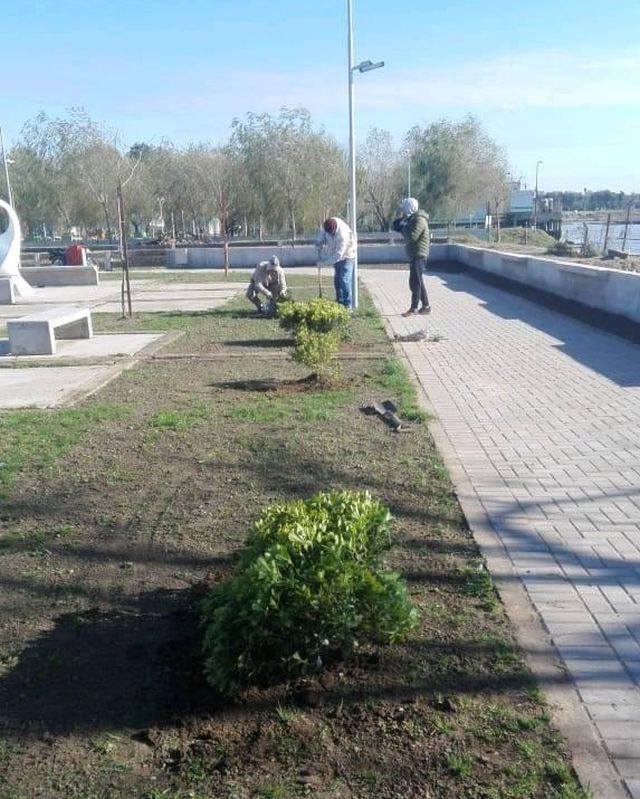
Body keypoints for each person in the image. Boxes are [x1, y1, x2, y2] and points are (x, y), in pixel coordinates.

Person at [393, 197, 431, 317]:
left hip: (419, 254)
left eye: (404, 208)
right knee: (417, 281)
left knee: (415, 282)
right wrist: (400, 222)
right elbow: (397, 226)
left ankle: (414, 308)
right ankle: (426, 306)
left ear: (410, 207)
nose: (403, 211)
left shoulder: (419, 220)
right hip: (414, 254)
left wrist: (403, 227)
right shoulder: (412, 219)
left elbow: (412, 236)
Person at [319, 217, 356, 309]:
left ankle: (348, 305)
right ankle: (339, 301)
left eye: (332, 233)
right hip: (334, 254)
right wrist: (318, 243)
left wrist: (324, 263)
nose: (330, 235)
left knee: (344, 280)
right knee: (337, 281)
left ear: (335, 229)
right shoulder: (327, 226)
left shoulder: (343, 235)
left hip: (347, 255)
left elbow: (339, 255)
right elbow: (322, 236)